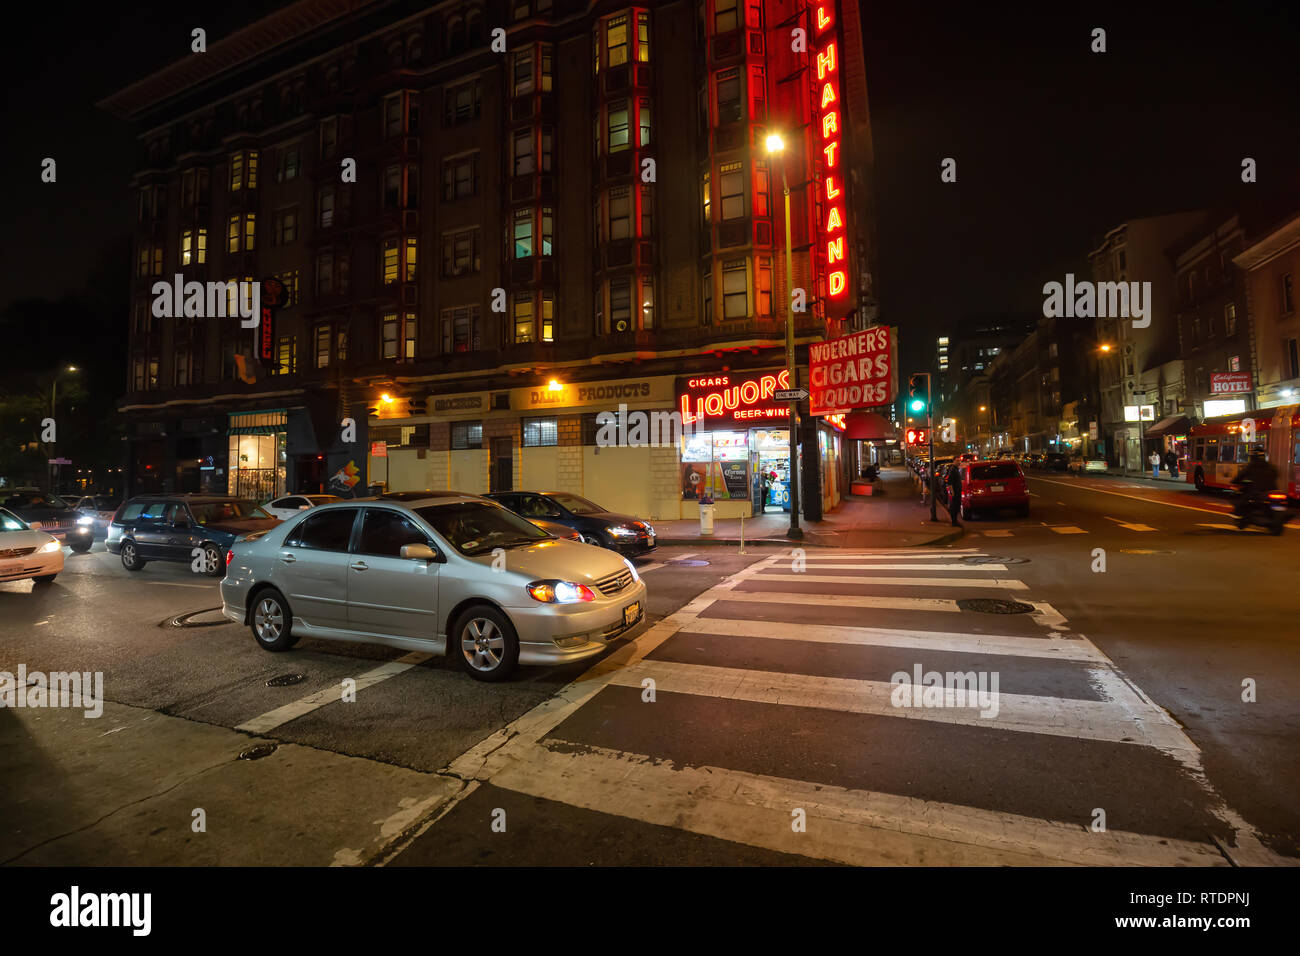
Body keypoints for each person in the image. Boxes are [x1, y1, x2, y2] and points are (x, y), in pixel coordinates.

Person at [1232, 448, 1279, 516]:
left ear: (1253, 456)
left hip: (1257, 491)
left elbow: (1241, 475)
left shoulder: (1252, 465)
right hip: (1272, 490)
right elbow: (1277, 474)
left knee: (1244, 498)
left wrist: (1234, 481)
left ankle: (1238, 513)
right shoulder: (1270, 465)